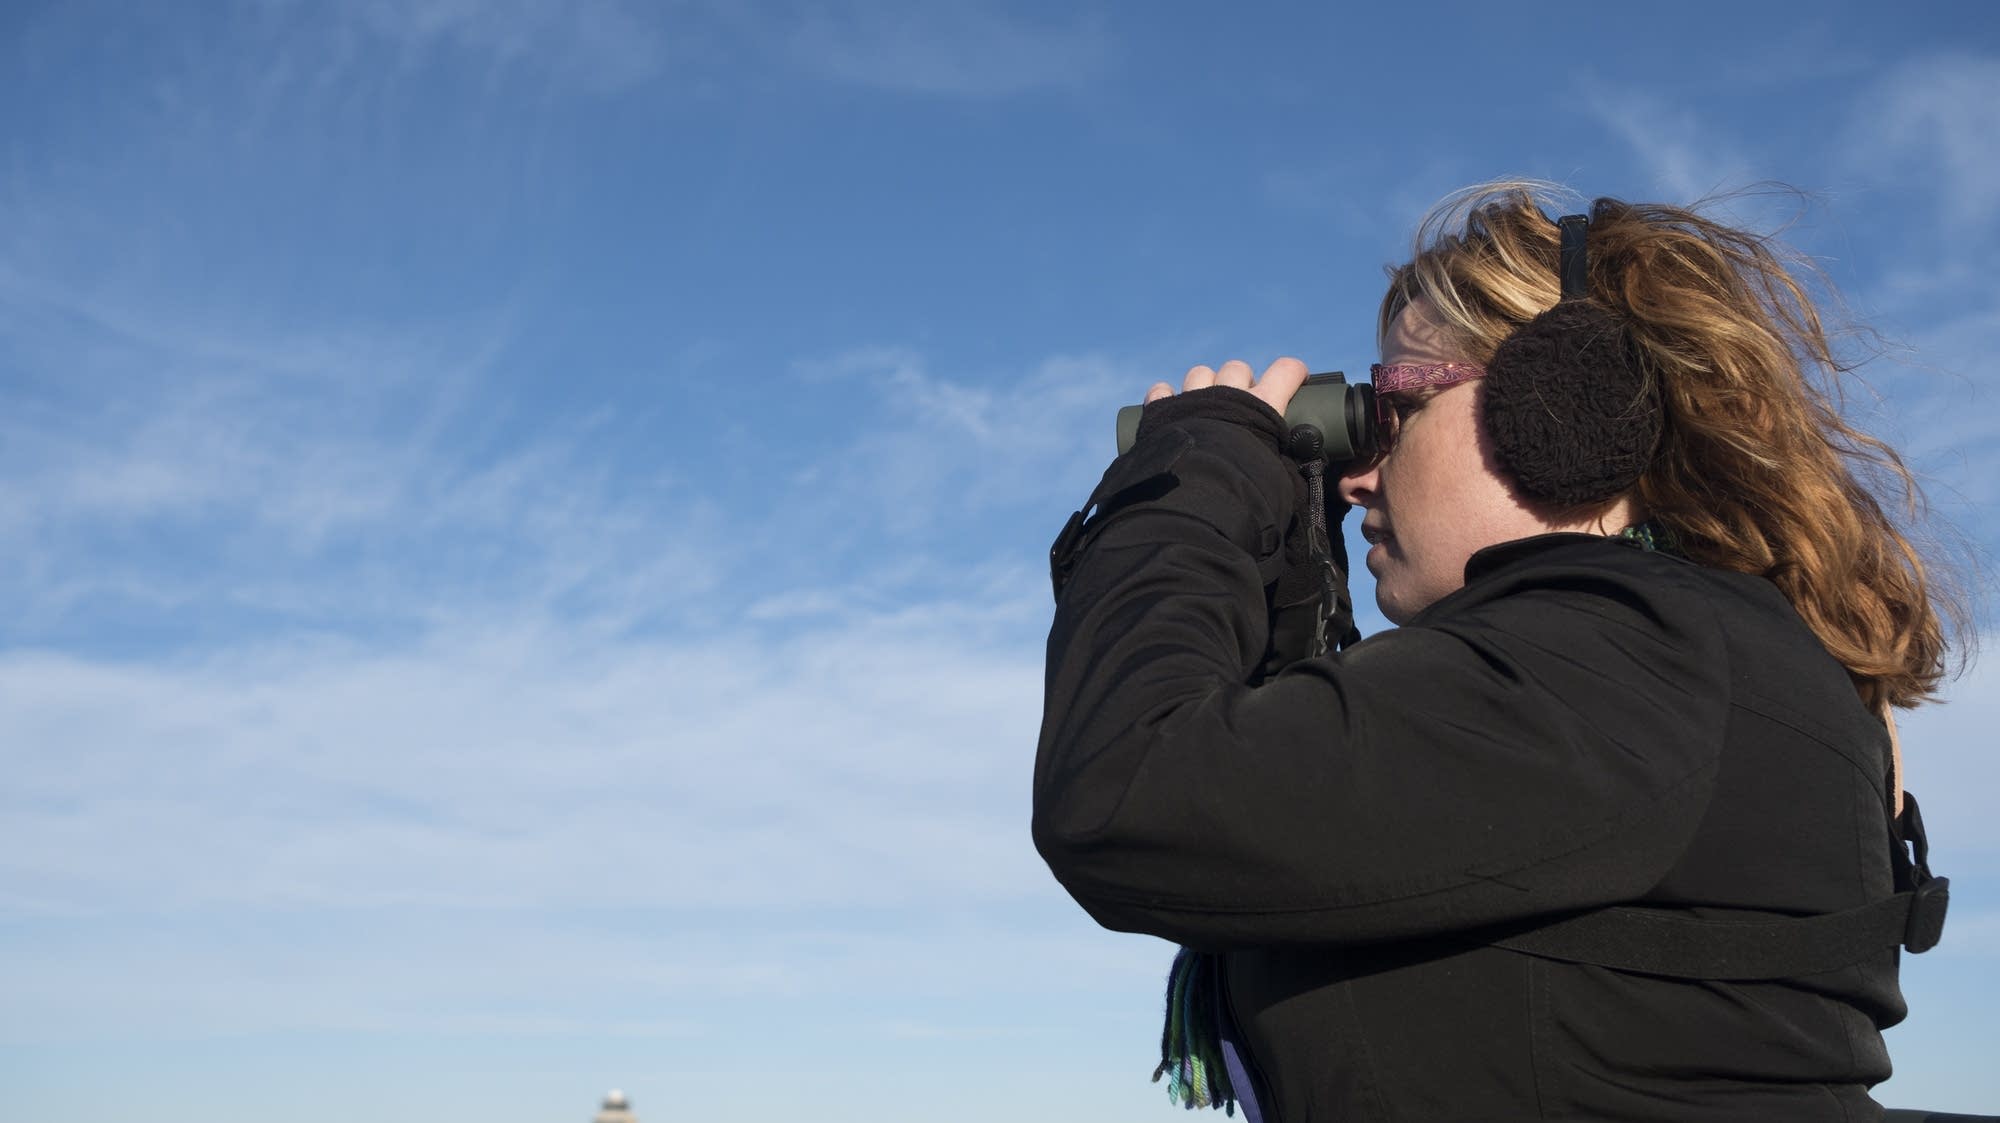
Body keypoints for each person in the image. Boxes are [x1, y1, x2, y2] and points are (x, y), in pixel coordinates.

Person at [1033, 182, 1963, 1122]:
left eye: (1392, 408)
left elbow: (1130, 788)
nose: (1356, 473)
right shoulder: (1686, 659)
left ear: (1564, 399)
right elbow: (1286, 832)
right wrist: (1282, 584)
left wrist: (1192, 482)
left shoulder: (1631, 657)